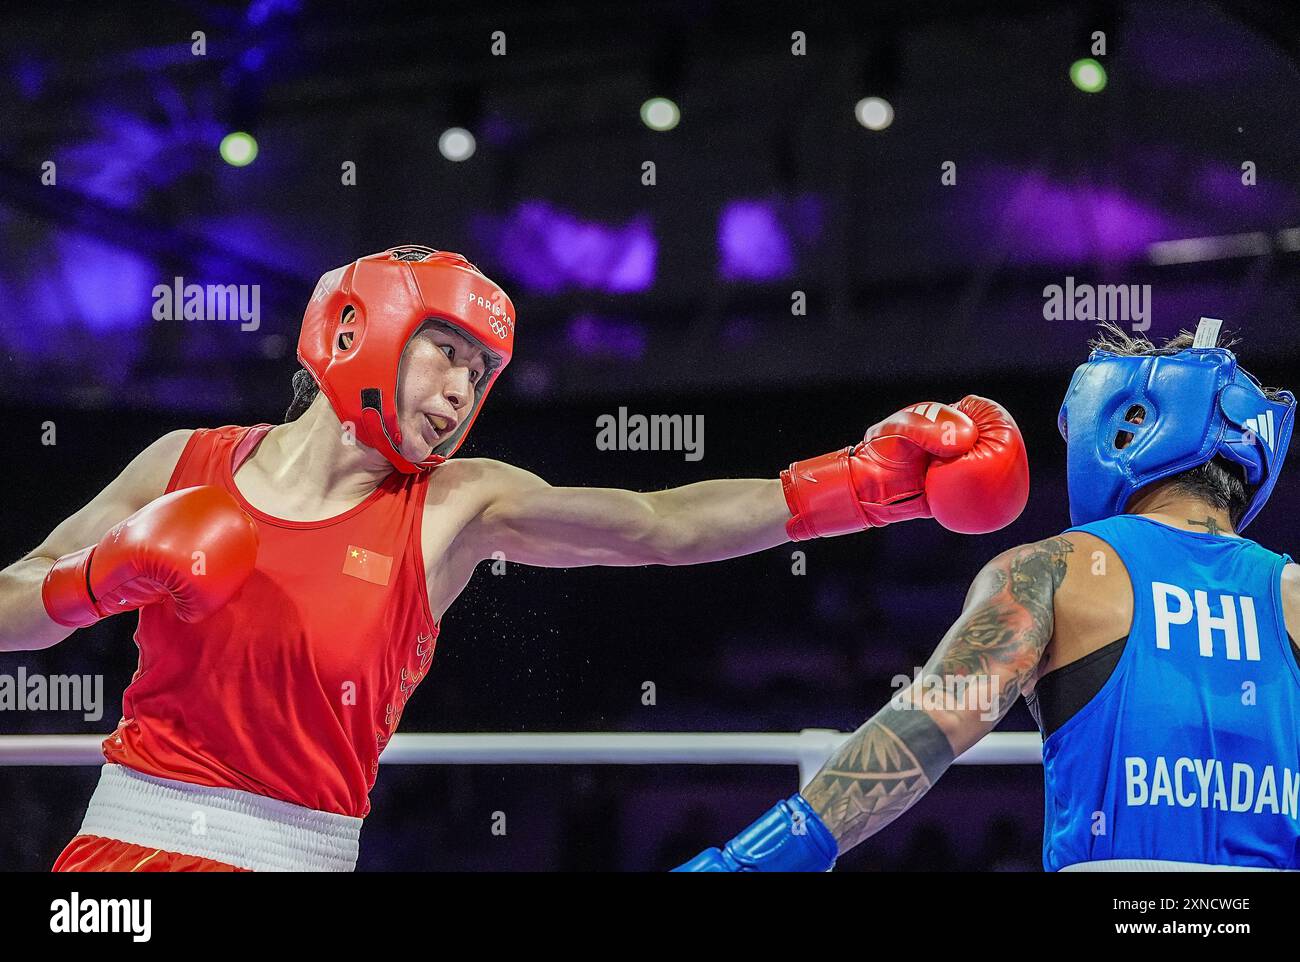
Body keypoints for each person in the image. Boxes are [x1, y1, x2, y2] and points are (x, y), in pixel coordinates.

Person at [0, 245, 1029, 872]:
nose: (462, 387)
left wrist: (864, 484)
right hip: (114, 859)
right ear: (361, 327)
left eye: (483, 368)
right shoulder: (184, 463)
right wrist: (95, 579)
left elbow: (656, 523)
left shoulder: (452, 504)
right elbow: (12, 609)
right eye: (447, 348)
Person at [678, 317, 1299, 872]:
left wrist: (755, 858)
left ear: (1127, 424)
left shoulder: (1057, 569)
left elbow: (928, 722)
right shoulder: (1292, 592)